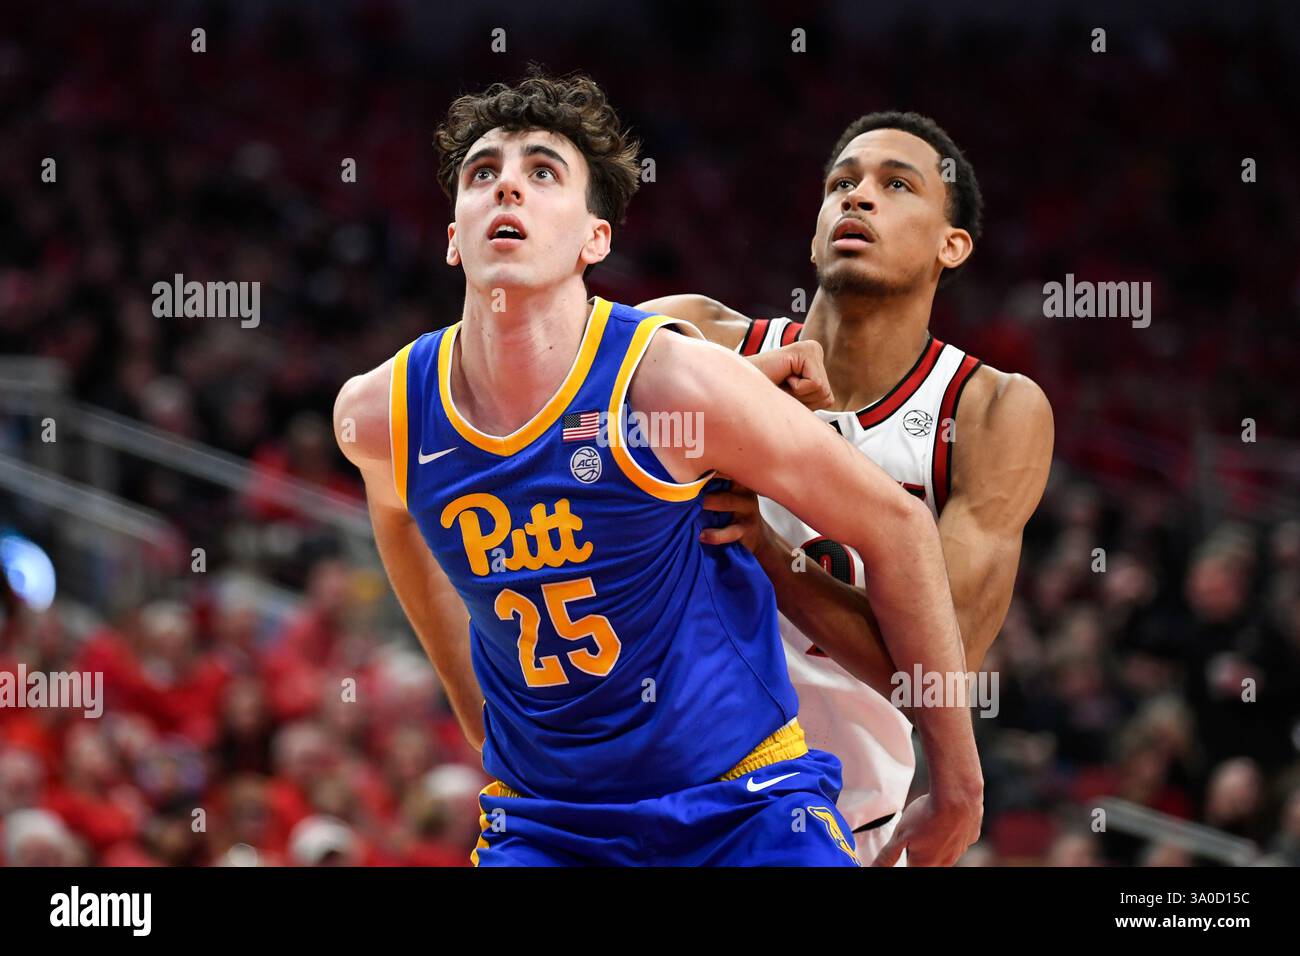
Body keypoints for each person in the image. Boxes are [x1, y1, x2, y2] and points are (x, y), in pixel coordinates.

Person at [333, 76, 981, 866]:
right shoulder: (381, 413)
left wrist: (958, 784)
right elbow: (396, 514)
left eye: (543, 172)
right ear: (452, 237)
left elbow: (898, 524)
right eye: (483, 173)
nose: (507, 184)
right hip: (546, 825)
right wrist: (472, 708)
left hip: (740, 805)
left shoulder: (671, 384)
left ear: (594, 240)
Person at [636, 111, 1054, 864]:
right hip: (648, 797)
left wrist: (767, 551)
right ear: (814, 236)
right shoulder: (697, 340)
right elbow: (551, 438)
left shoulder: (988, 411)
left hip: (836, 827)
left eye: (896, 186)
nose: (857, 197)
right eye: (841, 185)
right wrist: (714, 407)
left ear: (951, 245)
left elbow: (932, 676)